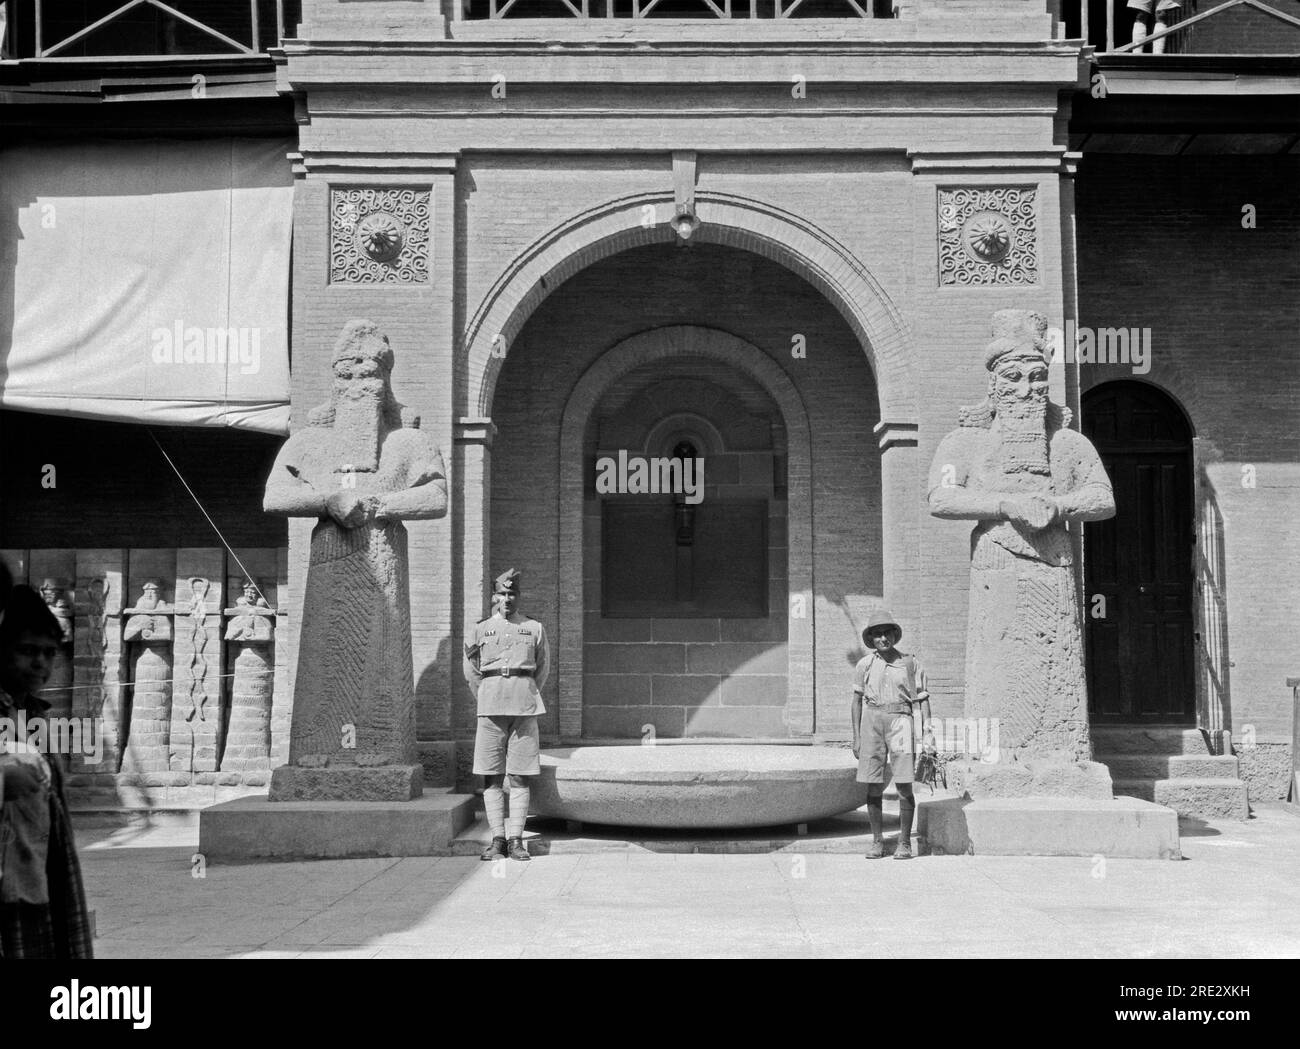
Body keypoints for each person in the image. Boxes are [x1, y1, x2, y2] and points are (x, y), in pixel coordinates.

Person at [0, 585, 94, 958]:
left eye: (48, 653)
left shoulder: (34, 715)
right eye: (27, 651)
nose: (40, 663)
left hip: (41, 863)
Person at [464, 569, 550, 862]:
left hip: (523, 708)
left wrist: (524, 692)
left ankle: (516, 840)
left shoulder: (534, 627)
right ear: (494, 597)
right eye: (502, 594)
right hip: (490, 709)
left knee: (519, 776)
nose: (507, 599)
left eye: (512, 594)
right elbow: (472, 672)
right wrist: (488, 694)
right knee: (491, 776)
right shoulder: (480, 629)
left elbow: (542, 669)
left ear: (518, 597)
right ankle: (497, 839)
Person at [851, 612, 933, 861]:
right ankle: (877, 842)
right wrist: (856, 737)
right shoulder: (865, 665)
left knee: (904, 784)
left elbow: (923, 700)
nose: (883, 638)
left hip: (901, 720)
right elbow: (856, 701)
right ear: (871, 639)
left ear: (894, 636)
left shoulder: (910, 663)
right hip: (872, 721)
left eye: (887, 633)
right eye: (877, 634)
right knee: (873, 783)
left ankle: (904, 843)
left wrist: (927, 735)